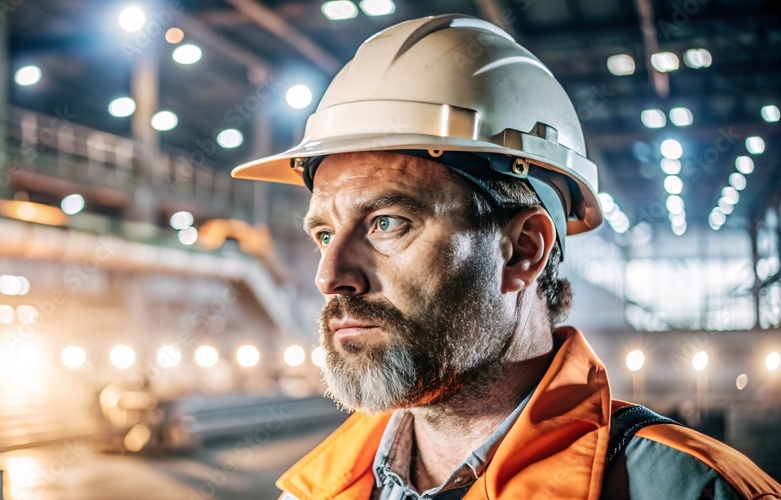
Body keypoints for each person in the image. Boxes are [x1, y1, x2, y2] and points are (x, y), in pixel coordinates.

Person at [231, 14, 781, 500]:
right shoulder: (316, 491)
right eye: (324, 234)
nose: (331, 277)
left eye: (387, 224)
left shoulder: (691, 490)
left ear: (524, 250)